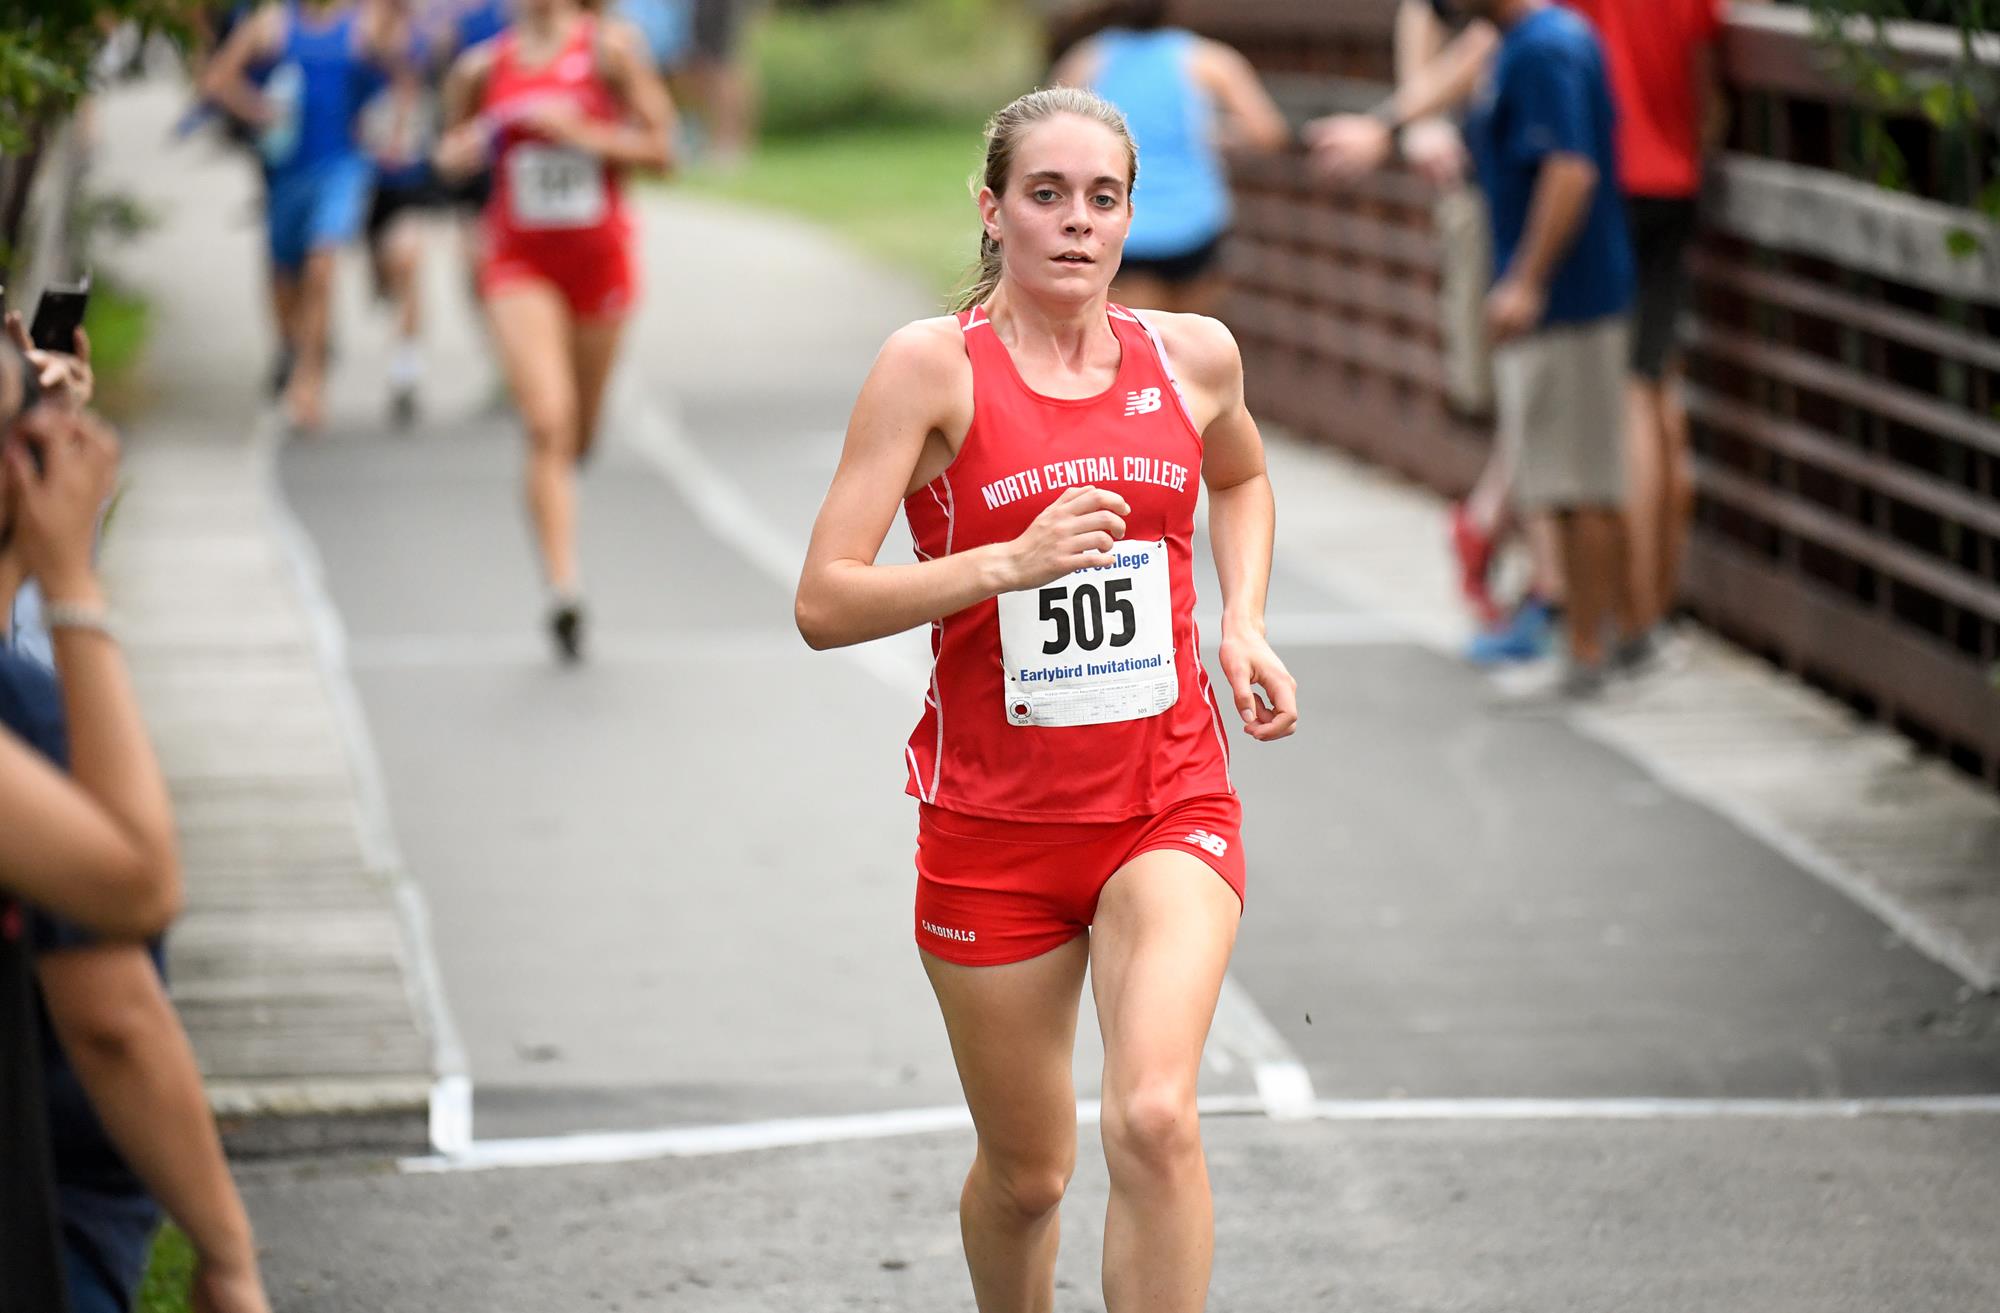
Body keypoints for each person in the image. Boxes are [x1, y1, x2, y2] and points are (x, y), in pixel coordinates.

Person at [795, 87, 1298, 1311]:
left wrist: (1240, 618)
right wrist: (1004, 564)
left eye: (1102, 198)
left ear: (1130, 217)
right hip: (993, 829)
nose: (1077, 221)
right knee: (1029, 1175)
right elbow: (824, 598)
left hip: (1165, 801)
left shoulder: (1192, 356)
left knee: (1154, 1115)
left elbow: (1240, 478)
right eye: (1046, 194)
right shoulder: (929, 368)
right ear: (992, 210)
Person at [434, 0, 675, 661]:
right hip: (519, 262)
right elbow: (449, 153)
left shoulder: (610, 52)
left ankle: (563, 477)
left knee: (579, 433)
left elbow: (664, 152)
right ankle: (564, 591)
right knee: (547, 421)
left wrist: (583, 136)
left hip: (599, 264)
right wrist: (459, 152)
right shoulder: (481, 69)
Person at [1457, 0, 1644, 698]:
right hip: (1562, 299)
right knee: (1564, 481)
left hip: (1570, 301)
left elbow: (1571, 168)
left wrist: (1526, 280)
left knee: (1582, 487)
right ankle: (1594, 643)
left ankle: (1591, 651)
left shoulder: (1544, 48)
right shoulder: (1531, 40)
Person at [202, 0, 415, 432]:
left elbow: (403, 74)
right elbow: (217, 79)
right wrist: (260, 110)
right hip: (286, 172)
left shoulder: (362, 24)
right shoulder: (272, 23)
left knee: (322, 264)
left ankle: (310, 382)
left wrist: (393, 133)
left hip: (342, 167)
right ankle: (293, 349)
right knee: (285, 277)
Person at [1050, 0, 1288, 316]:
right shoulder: (1206, 58)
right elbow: (1268, 132)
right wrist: (1216, 135)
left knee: (1134, 339)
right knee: (1188, 339)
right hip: (1195, 226)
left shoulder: (1088, 59)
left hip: (1123, 232)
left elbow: (1050, 134)